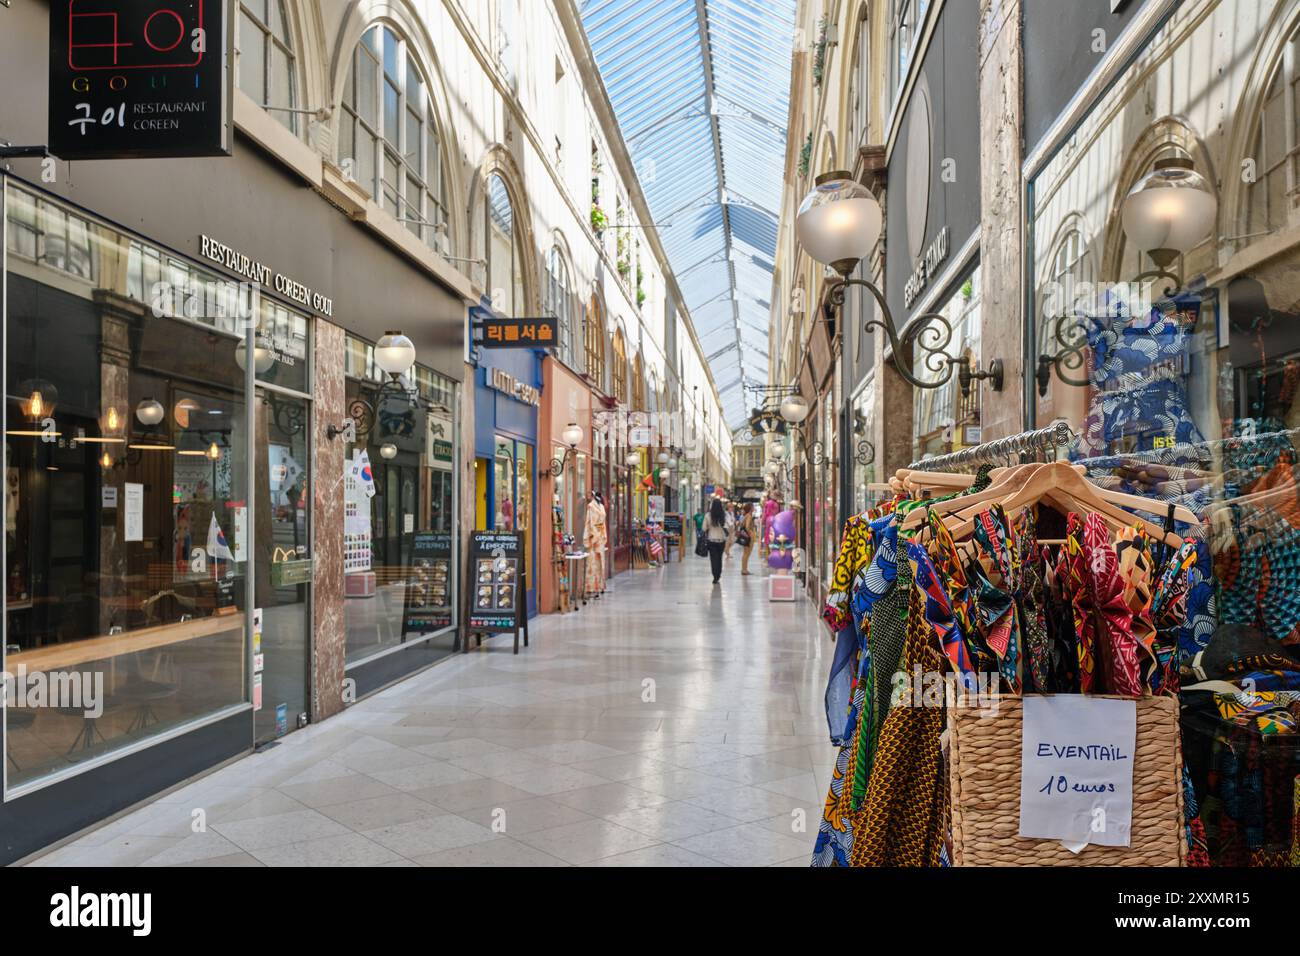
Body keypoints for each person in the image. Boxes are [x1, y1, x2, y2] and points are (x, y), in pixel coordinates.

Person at [704, 497, 733, 585]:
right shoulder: (725, 515)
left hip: (711, 540)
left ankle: (715, 576)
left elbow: (704, 528)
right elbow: (730, 525)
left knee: (713, 559)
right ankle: (718, 574)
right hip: (721, 540)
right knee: (719, 558)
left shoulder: (708, 515)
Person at [738, 504, 758, 575]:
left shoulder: (746, 515)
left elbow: (741, 524)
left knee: (745, 553)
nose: (754, 508)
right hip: (748, 537)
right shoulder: (749, 516)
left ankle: (744, 569)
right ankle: (744, 570)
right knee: (747, 553)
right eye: (753, 507)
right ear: (750, 508)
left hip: (745, 536)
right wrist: (751, 534)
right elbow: (747, 527)